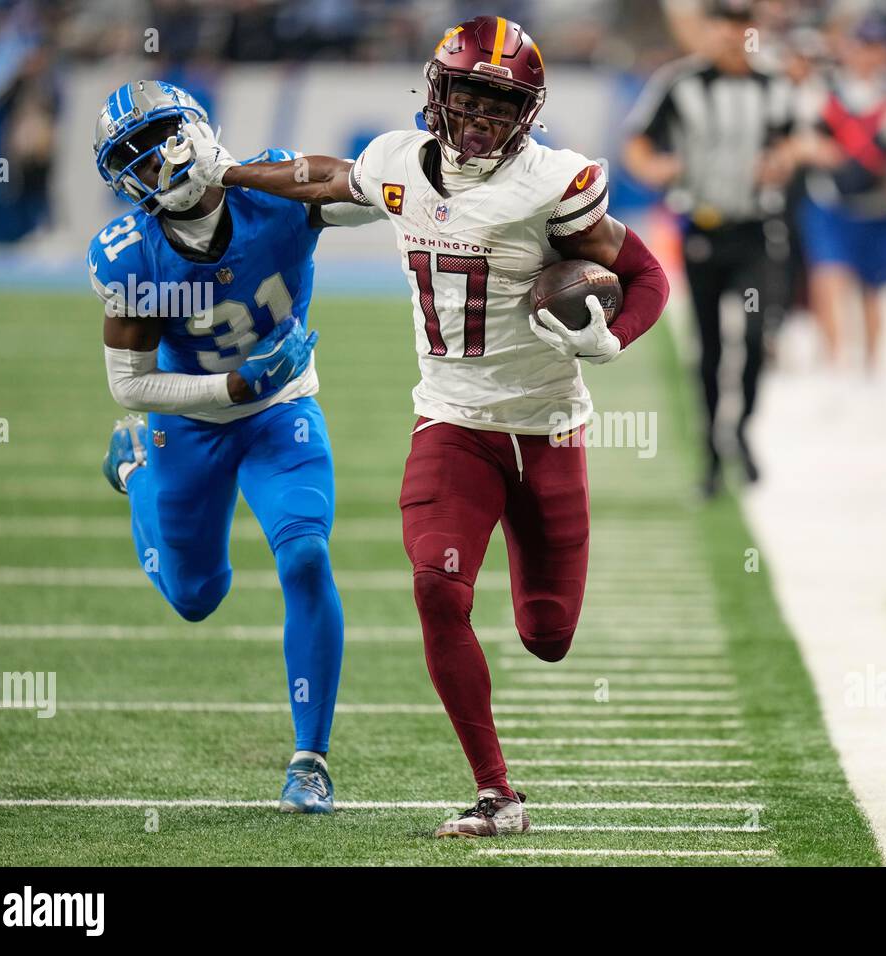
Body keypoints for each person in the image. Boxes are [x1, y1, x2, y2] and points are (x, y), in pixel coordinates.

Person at [184, 16, 670, 837]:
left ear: (526, 112)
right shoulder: (398, 164)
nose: (478, 118)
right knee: (438, 590)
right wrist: (228, 171)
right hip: (451, 422)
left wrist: (611, 339)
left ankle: (521, 687)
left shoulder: (552, 183)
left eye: (497, 103)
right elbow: (324, 178)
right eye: (468, 97)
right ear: (437, 92)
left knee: (547, 635)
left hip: (548, 426)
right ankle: (496, 793)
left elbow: (645, 271)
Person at [89, 80, 343, 812]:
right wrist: (230, 389)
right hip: (189, 423)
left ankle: (310, 760)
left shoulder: (276, 192)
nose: (154, 162)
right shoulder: (131, 257)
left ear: (197, 127)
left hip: (283, 412)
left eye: (161, 137)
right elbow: (130, 387)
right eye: (131, 157)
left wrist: (233, 173)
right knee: (197, 598)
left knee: (305, 551)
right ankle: (135, 468)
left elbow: (362, 185)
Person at [622, 0, 795, 494]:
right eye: (722, 25)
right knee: (710, 345)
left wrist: (782, 160)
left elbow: (792, 138)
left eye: (740, 25)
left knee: (758, 335)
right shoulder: (680, 83)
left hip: (756, 228)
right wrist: (655, 169)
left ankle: (742, 430)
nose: (730, 35)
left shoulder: (773, 83)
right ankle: (713, 450)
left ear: (751, 31)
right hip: (702, 227)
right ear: (709, 29)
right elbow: (637, 140)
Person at [794, 15, 886, 372]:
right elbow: (802, 138)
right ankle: (832, 362)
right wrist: (819, 149)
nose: (867, 56)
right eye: (861, 47)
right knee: (829, 276)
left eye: (876, 48)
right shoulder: (822, 89)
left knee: (873, 286)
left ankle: (870, 364)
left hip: (877, 204)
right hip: (830, 200)